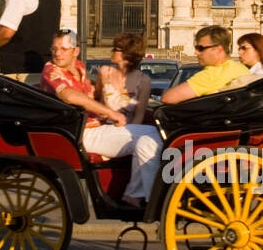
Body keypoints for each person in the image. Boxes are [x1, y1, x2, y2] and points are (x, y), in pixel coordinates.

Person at [39, 30, 162, 207]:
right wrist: (111, 113)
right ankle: (152, 200)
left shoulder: (80, 68)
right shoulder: (51, 70)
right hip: (81, 132)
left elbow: (92, 95)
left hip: (98, 128)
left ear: (75, 51)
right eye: (55, 48)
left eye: (64, 49)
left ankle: (135, 195)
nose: (57, 53)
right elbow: (70, 96)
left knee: (147, 141)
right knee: (151, 134)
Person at [160, 25, 250, 106]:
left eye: (200, 48)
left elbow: (168, 98)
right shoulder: (241, 68)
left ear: (218, 50)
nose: (196, 52)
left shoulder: (212, 75)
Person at [96, 32, 153, 126]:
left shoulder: (144, 80)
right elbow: (97, 97)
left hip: (130, 130)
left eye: (115, 49)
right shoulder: (104, 72)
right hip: (105, 128)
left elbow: (139, 117)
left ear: (126, 54)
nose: (111, 51)